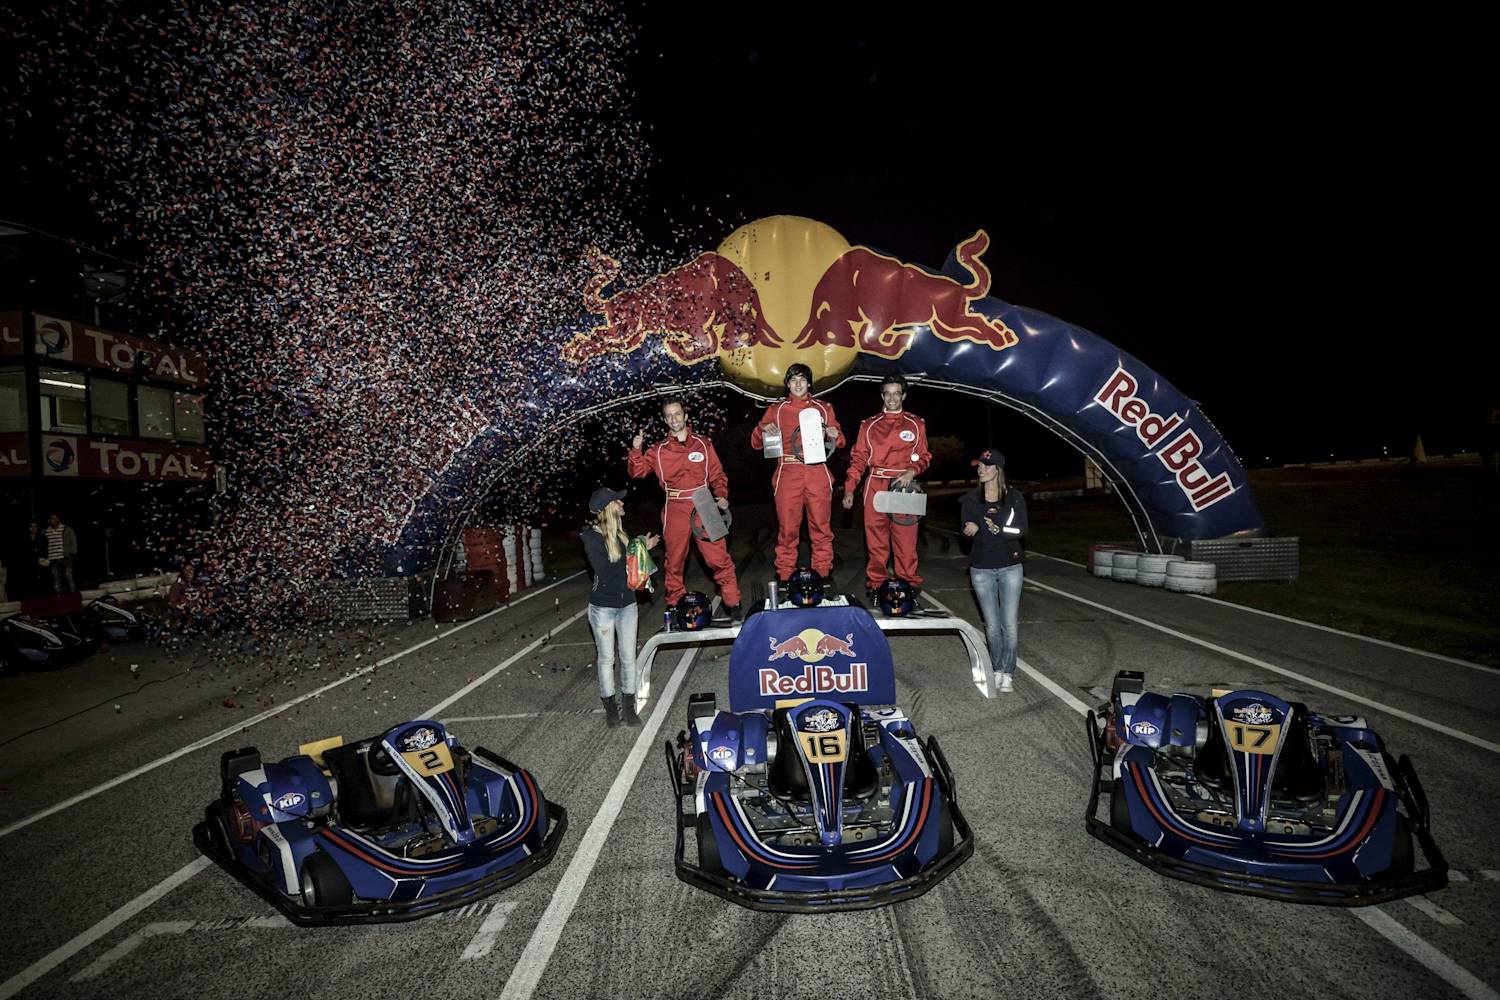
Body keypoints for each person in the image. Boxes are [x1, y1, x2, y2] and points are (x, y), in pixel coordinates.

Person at [627, 396, 742, 619]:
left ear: (685, 416)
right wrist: (636, 450)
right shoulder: (658, 450)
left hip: (704, 503)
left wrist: (721, 495)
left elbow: (718, 475)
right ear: (665, 420)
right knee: (675, 560)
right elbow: (637, 472)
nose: (674, 418)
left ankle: (734, 603)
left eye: (677, 413)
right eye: (669, 415)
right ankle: (674, 605)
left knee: (718, 558)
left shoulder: (703, 444)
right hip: (675, 506)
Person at [750, 363, 845, 584]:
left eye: (802, 379)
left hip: (817, 471)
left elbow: (840, 442)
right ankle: (785, 576)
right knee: (787, 529)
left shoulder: (824, 408)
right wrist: (761, 429)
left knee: (821, 528)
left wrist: (834, 434)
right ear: (787, 384)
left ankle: (822, 574)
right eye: (793, 380)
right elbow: (755, 443)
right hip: (788, 472)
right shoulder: (776, 409)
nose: (798, 384)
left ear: (809, 382)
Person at [842, 374, 931, 599]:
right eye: (888, 393)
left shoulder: (916, 423)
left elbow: (925, 456)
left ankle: (909, 582)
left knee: (905, 539)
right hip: (876, 484)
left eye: (896, 393)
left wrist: (913, 470)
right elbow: (859, 459)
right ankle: (876, 582)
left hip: (904, 484)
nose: (892, 398)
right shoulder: (868, 425)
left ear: (904, 395)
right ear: (882, 395)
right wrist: (850, 488)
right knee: (876, 539)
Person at [582, 486, 659, 728]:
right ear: (609, 507)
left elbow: (630, 570)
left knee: (628, 658)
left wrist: (639, 548)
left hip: (627, 605)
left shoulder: (623, 536)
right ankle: (610, 710)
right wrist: (639, 548)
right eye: (618, 501)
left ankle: (629, 707)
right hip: (602, 608)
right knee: (606, 659)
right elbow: (607, 573)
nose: (623, 504)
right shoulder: (591, 537)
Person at [960, 449, 1028, 693]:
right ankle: (997, 668)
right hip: (981, 569)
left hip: (1010, 567)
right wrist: (969, 528)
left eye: (986, 466)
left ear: (997, 470)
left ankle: (1008, 673)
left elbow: (1021, 530)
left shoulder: (1013, 497)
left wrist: (999, 528)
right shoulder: (970, 499)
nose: (981, 469)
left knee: (1009, 624)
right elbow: (964, 528)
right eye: (979, 466)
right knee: (992, 625)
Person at [45, 513, 78, 594]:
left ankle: (73, 594)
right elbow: (44, 543)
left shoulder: (67, 529)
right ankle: (59, 595)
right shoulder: (46, 531)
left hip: (65, 556)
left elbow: (73, 540)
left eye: (56, 518)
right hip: (52, 557)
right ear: (49, 520)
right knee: (56, 578)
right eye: (52, 518)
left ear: (59, 519)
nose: (54, 520)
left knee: (69, 576)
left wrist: (73, 551)